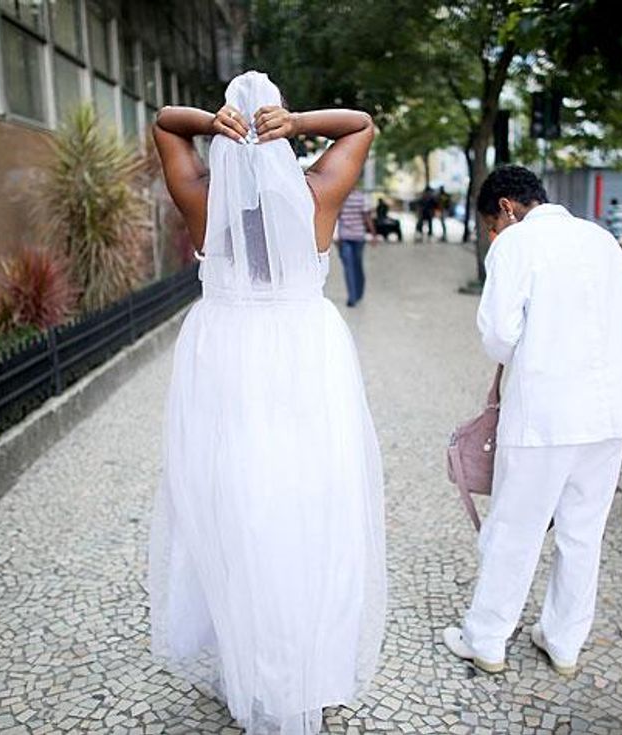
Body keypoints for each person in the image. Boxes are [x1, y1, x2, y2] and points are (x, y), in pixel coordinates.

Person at [148, 71, 385, 735]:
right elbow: (361, 123)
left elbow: (166, 123)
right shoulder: (317, 193)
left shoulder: (201, 194)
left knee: (235, 507)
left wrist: (208, 119)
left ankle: (247, 654)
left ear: (227, 132)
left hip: (226, 359)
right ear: (278, 134)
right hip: (307, 358)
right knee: (312, 506)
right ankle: (304, 659)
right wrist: (300, 120)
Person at [442, 165, 622, 676]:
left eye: (492, 224)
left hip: (544, 415)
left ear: (507, 207)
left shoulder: (516, 246)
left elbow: (498, 337)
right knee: (582, 532)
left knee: (515, 528)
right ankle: (564, 641)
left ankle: (487, 639)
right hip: (608, 413)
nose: (493, 235)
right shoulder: (601, 240)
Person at [337, 186, 372, 306]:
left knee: (357, 265)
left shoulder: (361, 198)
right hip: (345, 237)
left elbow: (366, 217)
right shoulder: (341, 197)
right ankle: (352, 297)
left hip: (358, 237)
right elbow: (335, 217)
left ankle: (359, 293)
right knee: (349, 267)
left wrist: (373, 233)